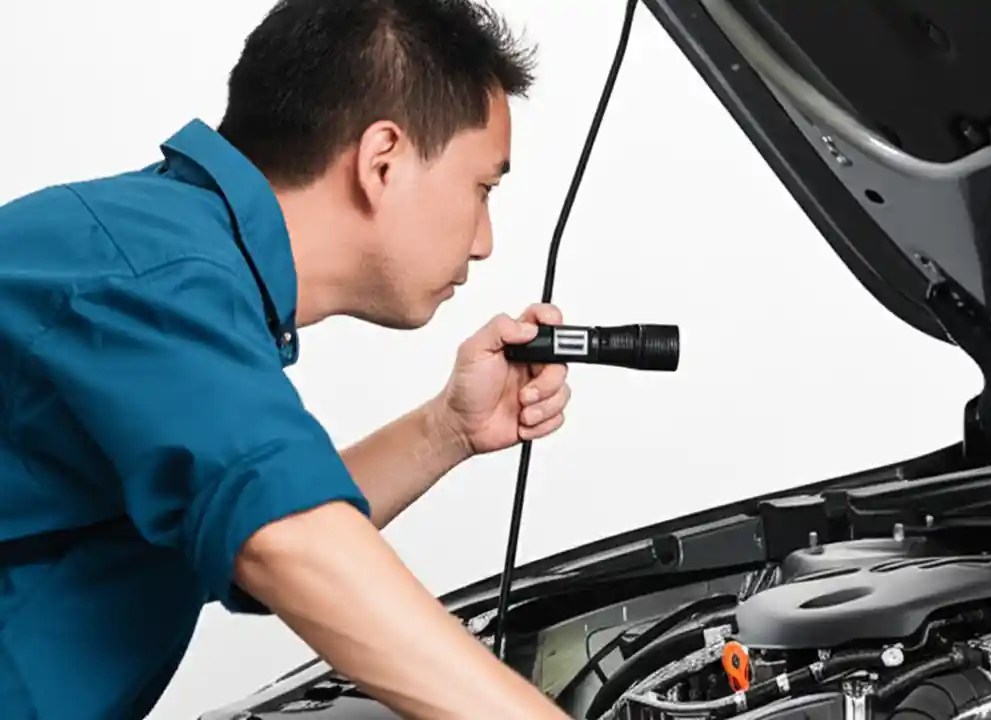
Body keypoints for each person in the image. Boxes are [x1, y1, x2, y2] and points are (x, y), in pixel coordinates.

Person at [0, 1, 574, 718]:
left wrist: (446, 429)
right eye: (483, 187)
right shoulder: (146, 277)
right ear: (382, 160)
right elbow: (284, 540)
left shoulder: (167, 253)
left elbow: (246, 525)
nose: (485, 238)